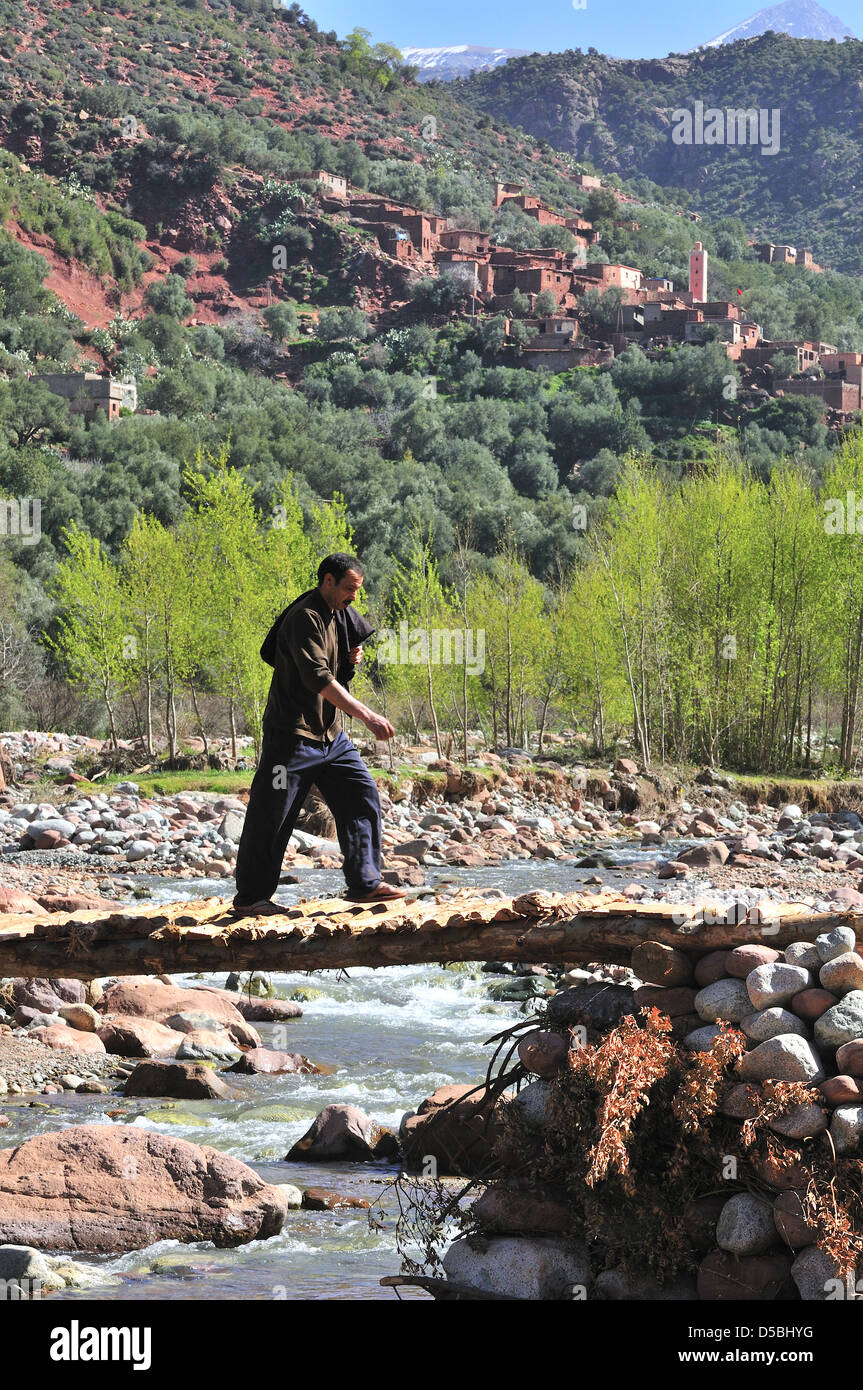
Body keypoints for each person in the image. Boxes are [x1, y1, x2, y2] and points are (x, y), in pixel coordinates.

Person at [232, 552, 407, 915]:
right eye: (348, 588)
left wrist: (350, 661)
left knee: (361, 796)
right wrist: (368, 716)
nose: (353, 597)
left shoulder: (339, 615)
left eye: (357, 590)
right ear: (327, 580)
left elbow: (336, 671)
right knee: (273, 811)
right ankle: (251, 898)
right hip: (290, 738)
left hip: (332, 738)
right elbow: (319, 680)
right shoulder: (305, 617)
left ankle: (365, 883)